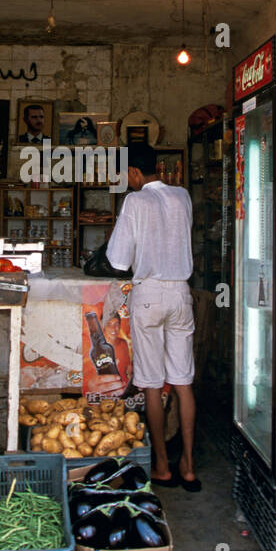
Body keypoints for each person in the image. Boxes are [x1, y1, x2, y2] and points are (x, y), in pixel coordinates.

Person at [106, 142, 200, 492]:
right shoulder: (182, 196)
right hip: (180, 292)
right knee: (182, 381)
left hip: (148, 295)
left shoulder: (135, 200)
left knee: (150, 383)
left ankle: (161, 465)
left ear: (133, 173)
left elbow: (117, 260)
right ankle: (189, 466)